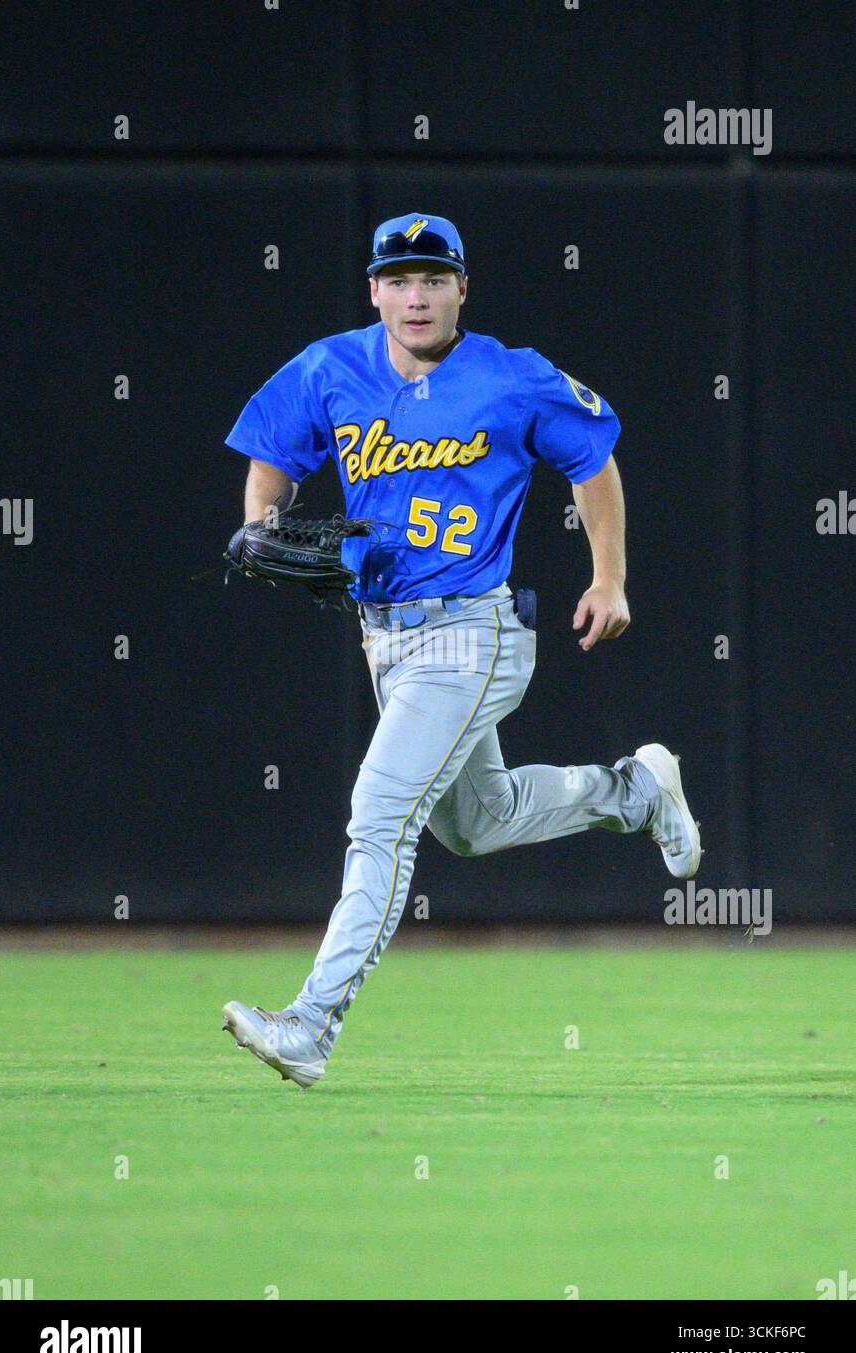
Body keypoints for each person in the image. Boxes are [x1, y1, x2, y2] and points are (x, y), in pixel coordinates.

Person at [221, 213, 701, 1089]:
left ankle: (311, 1025)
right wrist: (262, 521)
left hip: (473, 630)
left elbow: (593, 461)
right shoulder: (332, 367)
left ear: (462, 290)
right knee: (474, 822)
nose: (416, 295)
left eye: (433, 279)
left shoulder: (512, 377)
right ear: (374, 290)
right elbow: (270, 455)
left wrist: (610, 578)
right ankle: (633, 792)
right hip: (385, 639)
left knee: (379, 813)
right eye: (399, 279)